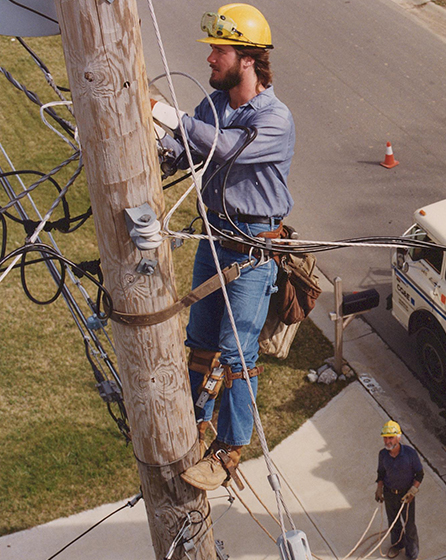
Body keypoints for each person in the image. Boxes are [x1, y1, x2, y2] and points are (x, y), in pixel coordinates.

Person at [152, 3, 295, 491]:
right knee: (200, 339)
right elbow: (192, 149)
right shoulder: (213, 107)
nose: (211, 58)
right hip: (215, 237)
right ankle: (193, 419)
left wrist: (168, 115)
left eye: (220, 50)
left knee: (237, 354)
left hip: (252, 250)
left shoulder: (276, 119)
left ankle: (231, 448)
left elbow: (226, 147)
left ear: (249, 59)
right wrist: (157, 144)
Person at [375, 421, 423, 560]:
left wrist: (413, 490)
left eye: (390, 437)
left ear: (398, 437)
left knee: (409, 525)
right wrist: (379, 488)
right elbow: (381, 473)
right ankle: (397, 545)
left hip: (406, 495)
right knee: (393, 522)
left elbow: (419, 474)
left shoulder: (410, 454)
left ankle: (411, 554)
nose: (387, 441)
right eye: (385, 437)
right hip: (389, 493)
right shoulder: (383, 454)